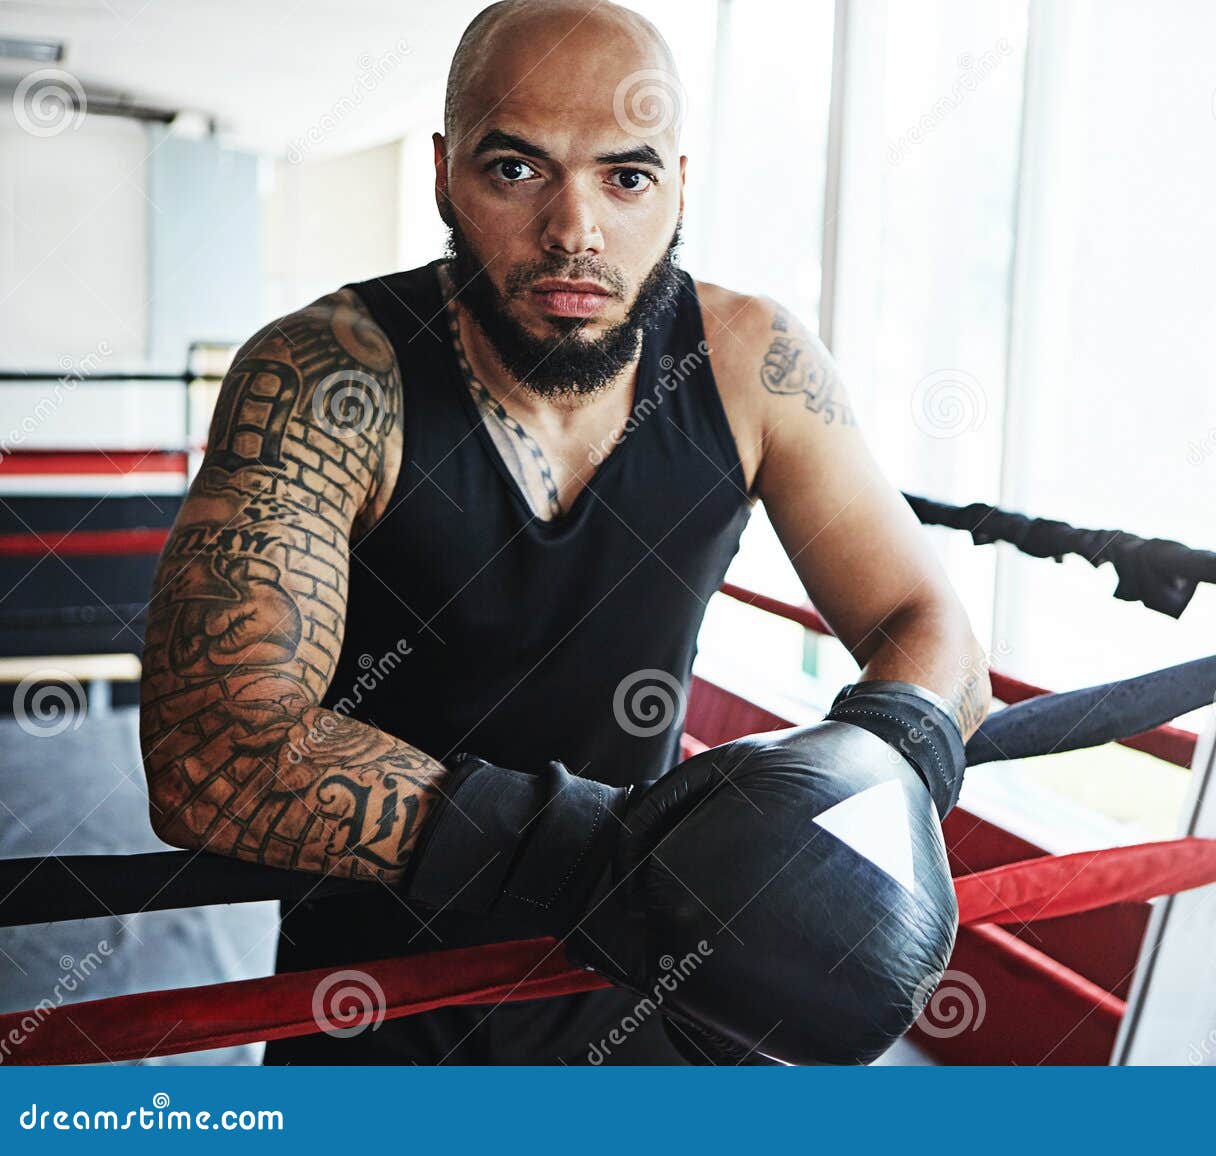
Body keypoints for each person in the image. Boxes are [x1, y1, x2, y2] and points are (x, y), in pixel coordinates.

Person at [138, 0, 988, 1065]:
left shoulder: (748, 363)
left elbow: (927, 619)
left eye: (625, 177)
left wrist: (877, 775)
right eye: (516, 170)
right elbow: (210, 748)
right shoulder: (328, 376)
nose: (574, 231)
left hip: (652, 988)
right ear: (445, 174)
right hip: (375, 995)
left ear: (679, 182)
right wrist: (615, 859)